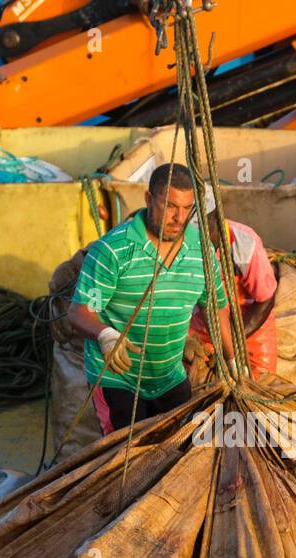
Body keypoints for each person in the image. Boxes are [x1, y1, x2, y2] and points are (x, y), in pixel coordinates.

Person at [66, 162, 229, 433]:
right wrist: (106, 335)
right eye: (170, 206)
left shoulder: (201, 250)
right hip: (119, 379)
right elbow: (81, 311)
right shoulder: (113, 251)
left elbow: (216, 307)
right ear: (149, 199)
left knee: (181, 449)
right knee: (127, 459)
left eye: (188, 209)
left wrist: (234, 363)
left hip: (169, 376)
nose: (179, 218)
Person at [185, 188, 278, 380]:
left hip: (249, 331)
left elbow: (266, 299)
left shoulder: (244, 244)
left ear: (216, 220)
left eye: (202, 233)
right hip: (202, 330)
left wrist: (232, 344)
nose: (197, 241)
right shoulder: (184, 247)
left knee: (260, 388)